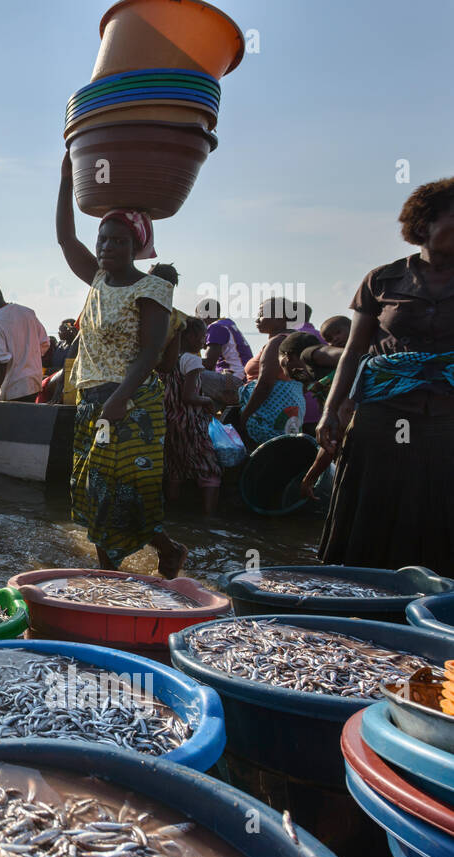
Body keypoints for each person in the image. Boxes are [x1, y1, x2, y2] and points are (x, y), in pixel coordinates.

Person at [57, 151, 188, 577]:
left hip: (130, 402)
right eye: (103, 240)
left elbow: (151, 352)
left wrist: (120, 398)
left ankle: (108, 579)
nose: (108, 247)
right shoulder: (96, 278)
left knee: (120, 492)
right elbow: (64, 238)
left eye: (118, 240)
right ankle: (163, 550)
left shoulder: (151, 288)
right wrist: (64, 178)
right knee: (99, 492)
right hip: (93, 398)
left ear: (136, 246)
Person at [318, 177, 454, 575]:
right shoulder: (383, 280)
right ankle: (360, 593)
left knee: (439, 509)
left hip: (446, 420)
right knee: (372, 505)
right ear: (425, 224)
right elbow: (354, 353)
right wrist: (330, 412)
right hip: (382, 415)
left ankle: (432, 602)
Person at [164, 317, 222, 514]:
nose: (204, 342)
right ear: (189, 336)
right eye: (202, 336)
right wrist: (208, 401)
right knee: (209, 468)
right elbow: (189, 396)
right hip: (190, 422)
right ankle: (209, 518)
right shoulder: (192, 359)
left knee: (175, 469)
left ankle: (173, 513)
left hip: (170, 421)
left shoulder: (168, 358)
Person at [236, 298, 307, 447]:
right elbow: (305, 380)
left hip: (266, 411)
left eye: (261, 313)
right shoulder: (297, 340)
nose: (257, 319)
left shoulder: (277, 342)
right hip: (290, 411)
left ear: (280, 318)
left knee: (264, 454)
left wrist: (244, 416)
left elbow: (265, 384)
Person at [0, 283, 46, 403]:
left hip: (14, 387)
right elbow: (44, 343)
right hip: (34, 382)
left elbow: (1, 362)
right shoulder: (28, 312)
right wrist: (28, 358)